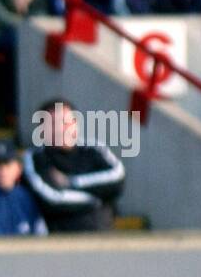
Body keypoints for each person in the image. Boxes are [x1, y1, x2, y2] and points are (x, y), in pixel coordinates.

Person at [24, 99, 125, 232]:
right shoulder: (36, 157)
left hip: (102, 234)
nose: (63, 129)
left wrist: (71, 182)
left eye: (67, 122)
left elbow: (117, 179)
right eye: (54, 124)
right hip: (62, 240)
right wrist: (96, 199)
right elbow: (51, 199)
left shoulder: (93, 149)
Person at [0, 141, 47, 236]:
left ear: (18, 167)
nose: (2, 170)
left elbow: (40, 232)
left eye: (7, 163)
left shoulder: (28, 197)